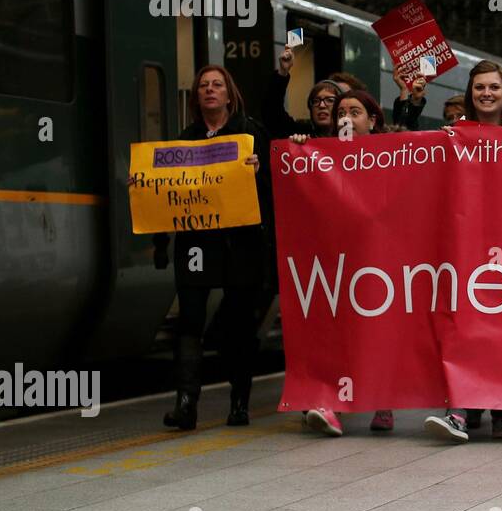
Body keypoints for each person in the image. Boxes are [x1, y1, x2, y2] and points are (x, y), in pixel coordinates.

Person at [151, 66, 271, 430]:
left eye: (217, 85)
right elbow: (167, 196)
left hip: (241, 244)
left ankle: (239, 403)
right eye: (203, 86)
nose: (210, 90)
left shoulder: (252, 134)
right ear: (196, 97)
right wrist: (146, 183)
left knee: (238, 324)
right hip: (197, 244)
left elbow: (276, 185)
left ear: (229, 94)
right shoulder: (184, 141)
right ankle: (186, 404)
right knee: (190, 321)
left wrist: (259, 171)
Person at [423, 61, 502, 443]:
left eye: (494, 88)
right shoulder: (453, 135)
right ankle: (459, 410)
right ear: (471, 94)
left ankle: (501, 410)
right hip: (465, 247)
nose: (486, 94)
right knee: (462, 324)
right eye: (480, 88)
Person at [294, 90, 397, 436]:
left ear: (373, 120)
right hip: (337, 258)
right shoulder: (319, 155)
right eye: (341, 112)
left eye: (355, 112)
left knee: (377, 332)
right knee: (337, 332)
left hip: (379, 259)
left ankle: (383, 401)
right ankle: (330, 403)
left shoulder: (393, 155)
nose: (345, 118)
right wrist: (298, 150)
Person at [264, 45, 343, 139]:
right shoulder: (301, 135)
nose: (322, 105)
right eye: (316, 101)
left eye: (330, 100)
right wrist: (282, 72)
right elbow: (272, 113)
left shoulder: (352, 137)